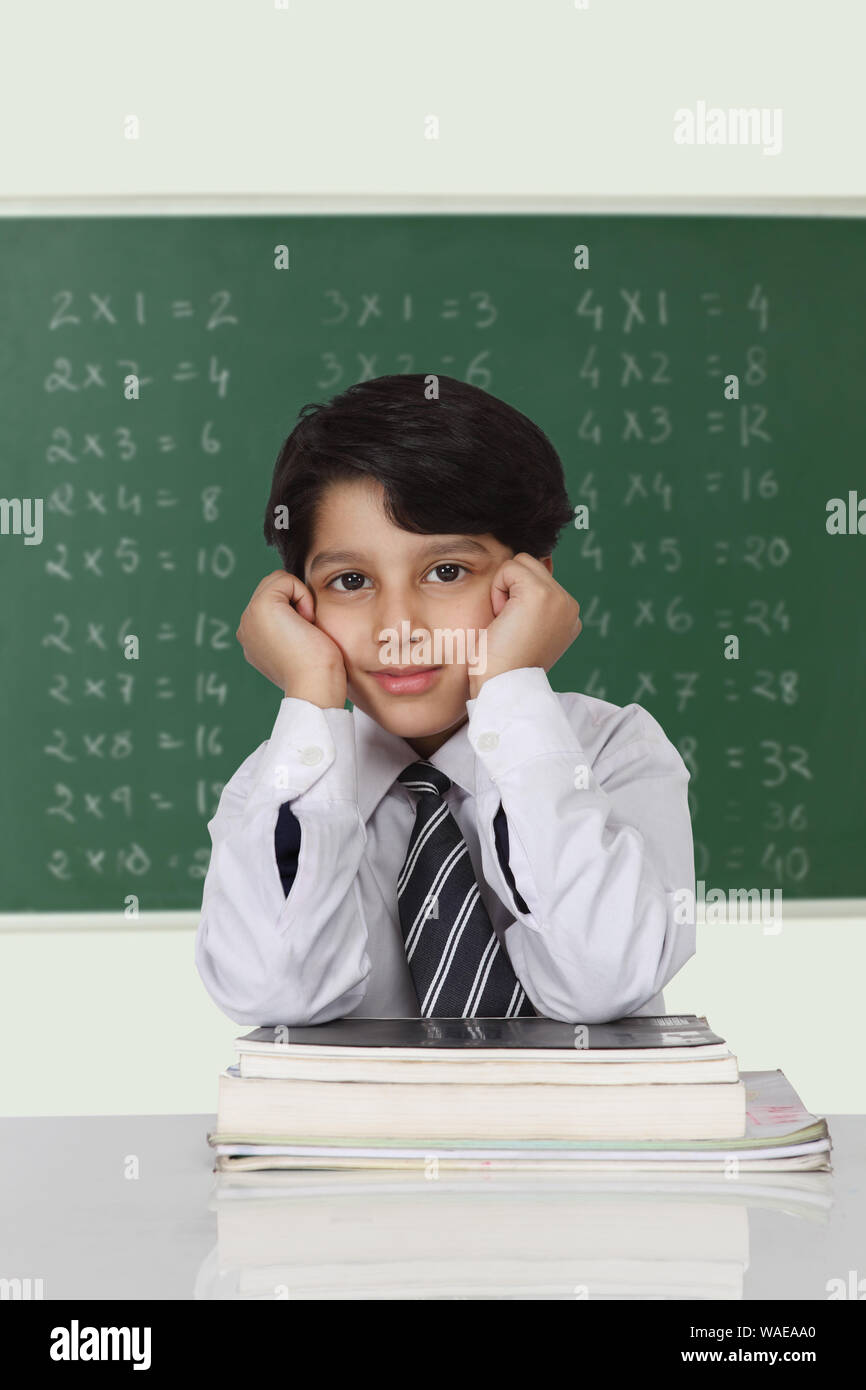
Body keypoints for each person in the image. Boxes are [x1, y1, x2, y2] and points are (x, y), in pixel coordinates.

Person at [194, 374, 695, 1024]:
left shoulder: (614, 751)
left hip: (579, 1129)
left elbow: (601, 982)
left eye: (446, 572)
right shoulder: (279, 785)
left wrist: (509, 687)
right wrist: (312, 691)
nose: (398, 627)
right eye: (350, 581)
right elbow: (272, 993)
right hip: (354, 1131)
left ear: (531, 583)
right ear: (301, 605)